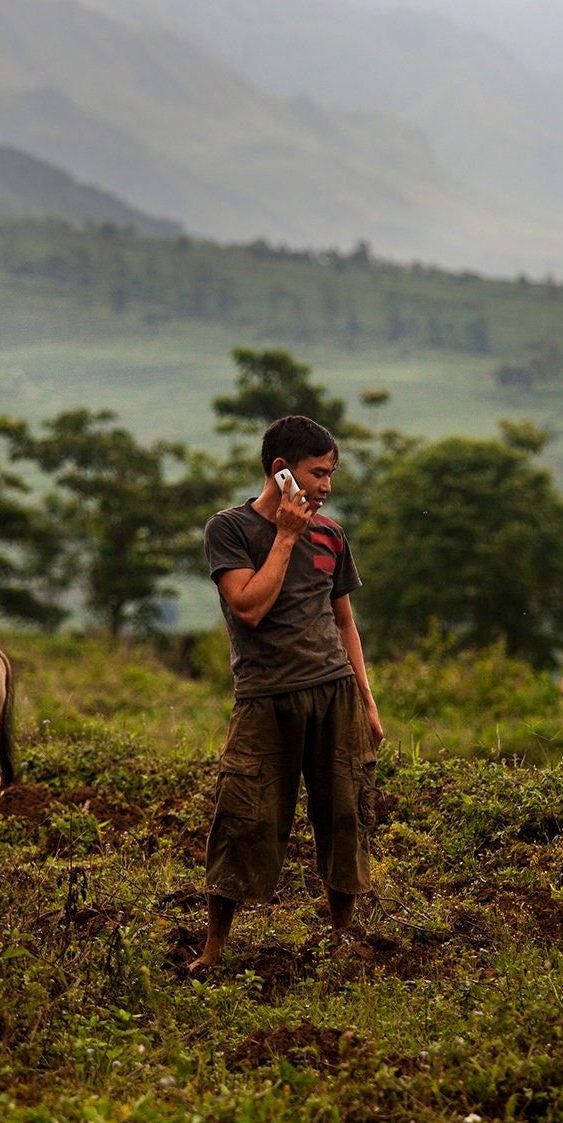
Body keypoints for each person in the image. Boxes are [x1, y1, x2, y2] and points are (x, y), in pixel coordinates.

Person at [190, 414, 386, 972]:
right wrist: (285, 536)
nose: (326, 486)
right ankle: (214, 949)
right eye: (316, 473)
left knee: (346, 815)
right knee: (243, 817)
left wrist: (367, 703)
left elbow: (344, 623)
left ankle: (341, 937)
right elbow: (248, 607)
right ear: (281, 472)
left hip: (335, 694)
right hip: (265, 698)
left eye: (330, 474)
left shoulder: (331, 536)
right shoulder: (229, 530)